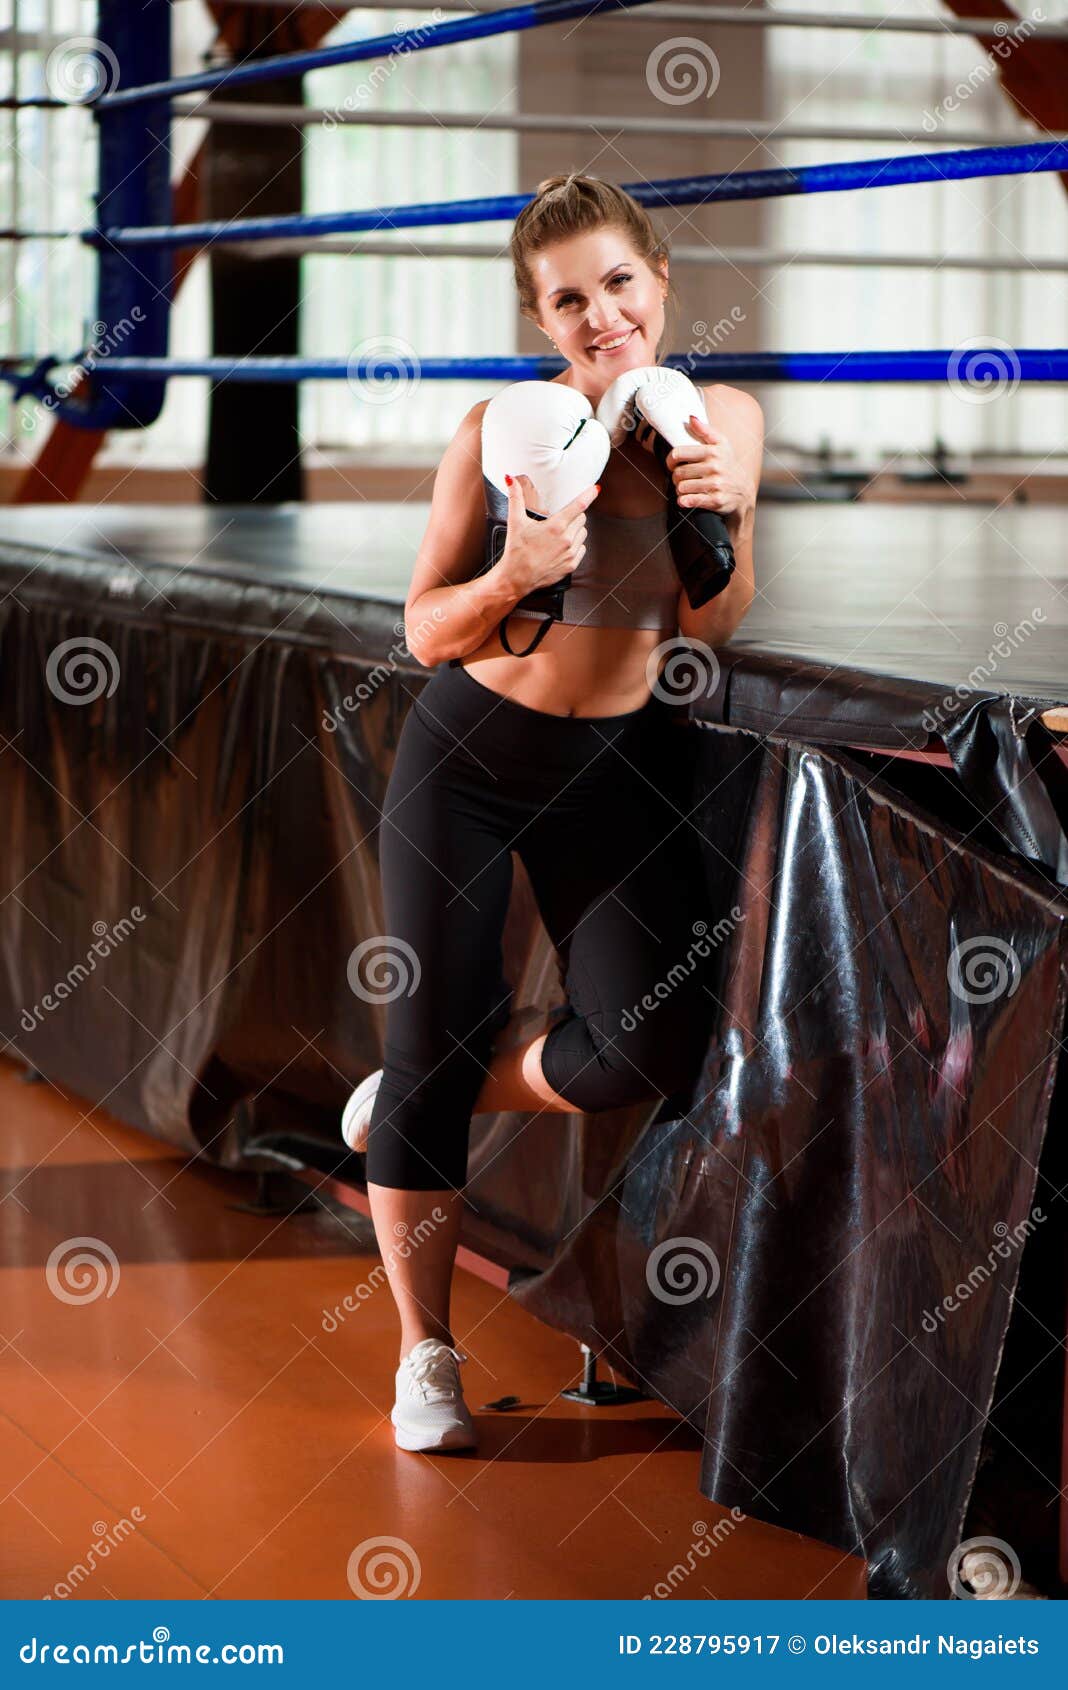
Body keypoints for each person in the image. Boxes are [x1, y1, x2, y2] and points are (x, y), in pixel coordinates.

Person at [343, 173, 763, 1453]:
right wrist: (519, 568)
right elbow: (424, 630)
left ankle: (426, 1090)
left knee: (649, 1045)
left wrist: (714, 511)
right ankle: (428, 1352)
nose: (601, 317)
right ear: (542, 319)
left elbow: (717, 623)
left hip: (617, 764)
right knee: (431, 1030)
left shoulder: (721, 416)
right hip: (471, 754)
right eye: (567, 299)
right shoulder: (496, 428)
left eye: (618, 284)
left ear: (660, 280)